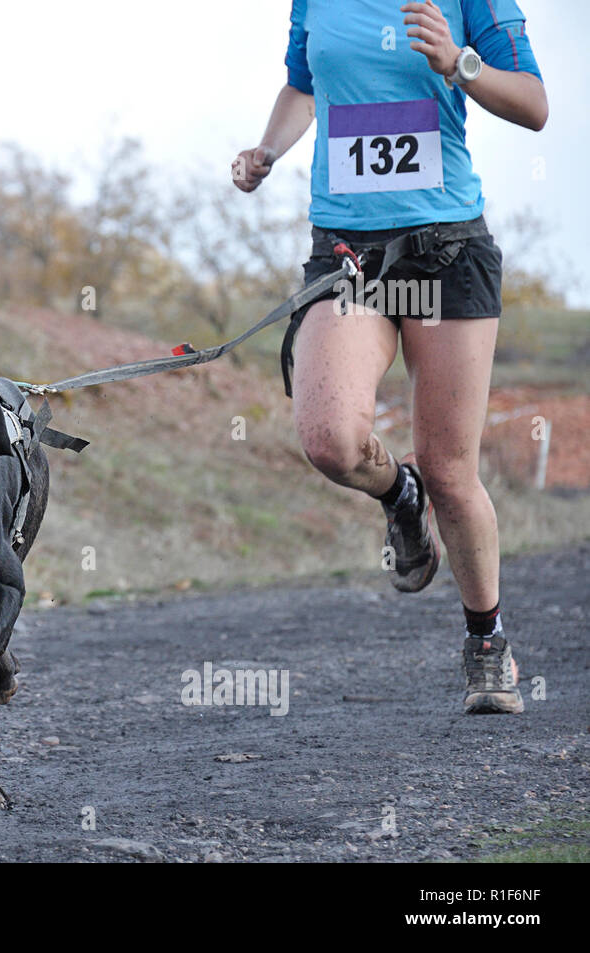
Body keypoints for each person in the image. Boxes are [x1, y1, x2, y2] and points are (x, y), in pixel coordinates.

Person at [233, 1, 547, 713]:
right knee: (330, 439)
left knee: (449, 468)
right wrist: (268, 152)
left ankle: (486, 639)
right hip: (348, 253)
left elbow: (534, 105)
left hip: (446, 250)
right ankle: (397, 496)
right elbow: (304, 86)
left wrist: (459, 63)